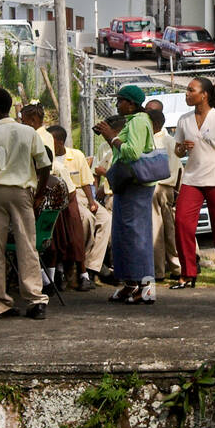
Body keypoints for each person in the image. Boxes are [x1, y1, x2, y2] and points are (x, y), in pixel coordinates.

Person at [0, 87, 52, 320]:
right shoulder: (28, 132)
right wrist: (39, 194)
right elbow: (44, 165)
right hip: (22, 192)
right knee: (27, 245)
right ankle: (35, 300)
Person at [94, 84, 158, 304]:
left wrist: (112, 137)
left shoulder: (139, 121)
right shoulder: (131, 122)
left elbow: (132, 152)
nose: (117, 104)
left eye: (120, 100)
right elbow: (121, 151)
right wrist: (109, 138)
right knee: (123, 235)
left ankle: (146, 286)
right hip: (125, 185)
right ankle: (130, 283)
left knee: (137, 235)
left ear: (131, 104)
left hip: (136, 186)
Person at [171, 77, 215, 287]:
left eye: (191, 90)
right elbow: (177, 149)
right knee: (181, 222)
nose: (187, 94)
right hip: (192, 179)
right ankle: (188, 273)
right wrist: (183, 148)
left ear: (204, 95)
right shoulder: (184, 120)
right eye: (187, 90)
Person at [52, 126, 112, 290]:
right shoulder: (48, 158)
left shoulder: (75, 155)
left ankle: (93, 266)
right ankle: (79, 266)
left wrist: (92, 201)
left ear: (60, 142)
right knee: (85, 219)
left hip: (82, 194)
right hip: (67, 195)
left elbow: (86, 181)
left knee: (106, 219)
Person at [44, 125, 92, 290]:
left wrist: (92, 202)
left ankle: (84, 273)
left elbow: (74, 190)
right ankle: (56, 274)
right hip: (53, 203)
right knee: (54, 237)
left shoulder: (62, 165)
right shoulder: (46, 163)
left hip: (69, 198)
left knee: (77, 229)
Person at [147, 107, 182, 282]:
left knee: (156, 230)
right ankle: (177, 267)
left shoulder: (154, 141)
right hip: (169, 189)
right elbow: (179, 167)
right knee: (170, 229)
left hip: (156, 187)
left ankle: (158, 270)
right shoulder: (171, 140)